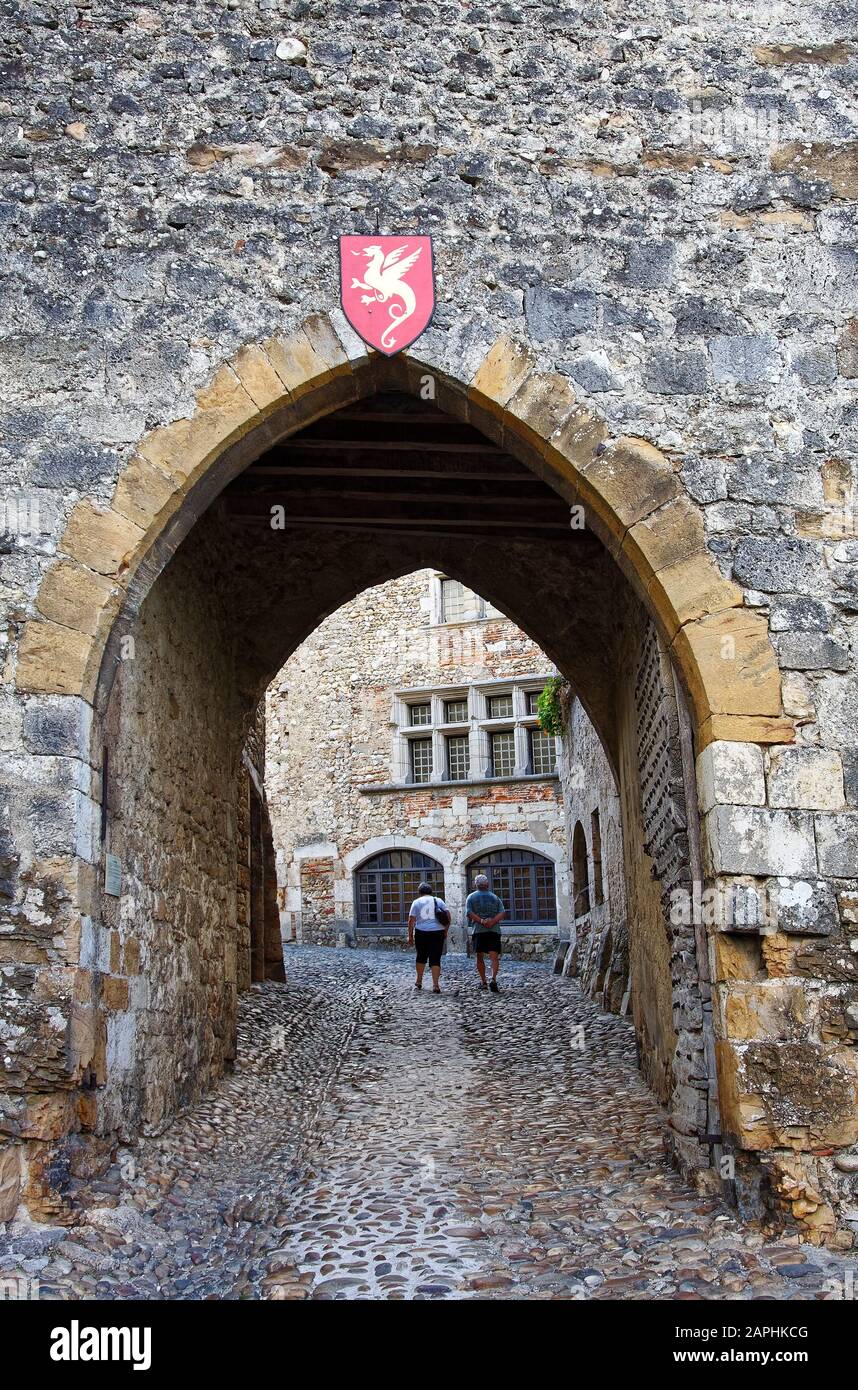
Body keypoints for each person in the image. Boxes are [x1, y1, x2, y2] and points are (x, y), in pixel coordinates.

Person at [407, 881, 451, 994]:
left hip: (422, 932)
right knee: (435, 958)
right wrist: (445, 930)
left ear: (420, 892)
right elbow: (448, 916)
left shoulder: (416, 902)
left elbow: (411, 920)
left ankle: (419, 980)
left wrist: (410, 936)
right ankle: (436, 985)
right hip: (437, 932)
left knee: (421, 956)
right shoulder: (438, 900)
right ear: (431, 891)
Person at [466, 873, 506, 993]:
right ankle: (493, 979)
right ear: (487, 884)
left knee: (479, 957)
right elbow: (503, 913)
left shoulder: (471, 897)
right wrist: (492, 921)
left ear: (476, 884)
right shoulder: (495, 897)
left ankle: (483, 981)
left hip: (479, 930)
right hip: (494, 930)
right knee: (494, 957)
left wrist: (482, 921)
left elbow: (469, 912)